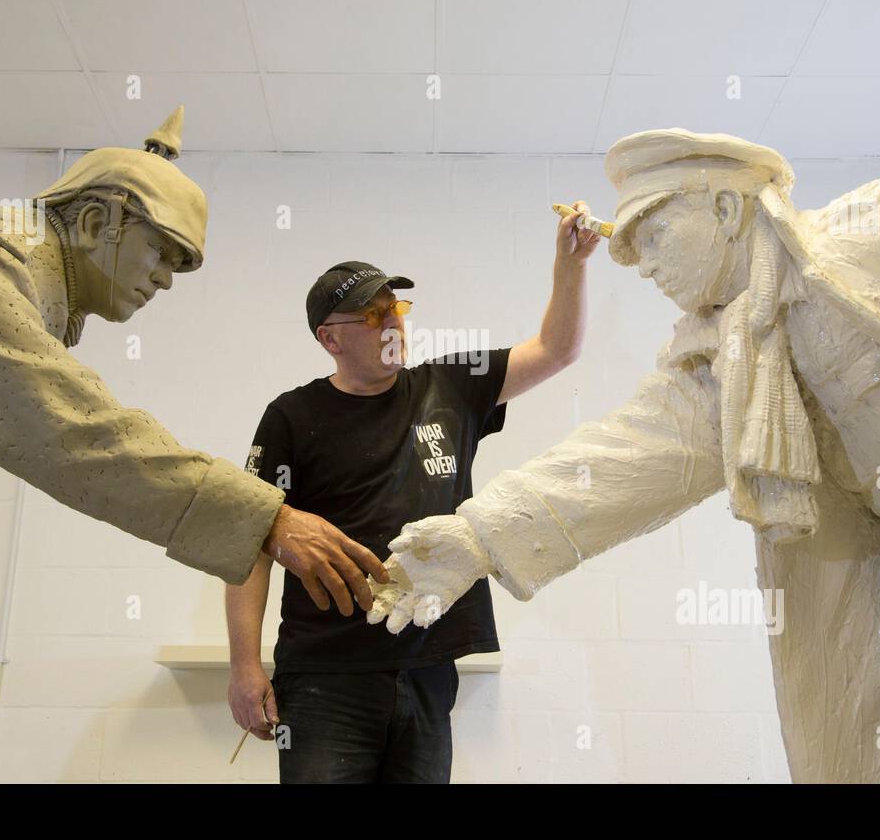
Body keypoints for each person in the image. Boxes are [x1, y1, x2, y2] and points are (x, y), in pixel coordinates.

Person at [370, 129, 880, 783]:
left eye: (652, 236)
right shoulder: (729, 358)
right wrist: (477, 536)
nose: (642, 266)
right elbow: (628, 455)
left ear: (724, 207)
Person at [0, 107, 384, 783]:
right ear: (99, 220)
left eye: (181, 265)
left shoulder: (20, 286)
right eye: (162, 250)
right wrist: (267, 518)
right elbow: (77, 431)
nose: (167, 277)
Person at [227, 207, 603, 783]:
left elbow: (556, 350)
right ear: (330, 338)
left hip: (428, 666)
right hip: (325, 678)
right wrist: (245, 666)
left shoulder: (451, 386)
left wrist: (571, 263)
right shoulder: (291, 416)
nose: (392, 324)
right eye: (372, 315)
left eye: (396, 310)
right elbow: (246, 542)